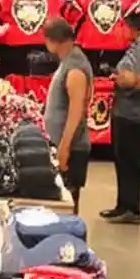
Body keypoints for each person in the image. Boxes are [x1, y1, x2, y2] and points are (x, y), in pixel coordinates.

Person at [102, 10, 140, 224]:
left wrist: (126, 80)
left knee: (129, 162)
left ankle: (132, 209)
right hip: (123, 110)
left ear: (132, 27)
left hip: (132, 114)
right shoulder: (135, 48)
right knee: (121, 160)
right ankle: (122, 205)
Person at [42, 17, 95, 213]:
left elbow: (76, 110)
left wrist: (64, 148)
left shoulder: (75, 67)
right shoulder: (68, 62)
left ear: (53, 40)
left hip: (72, 148)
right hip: (64, 145)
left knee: (68, 205)